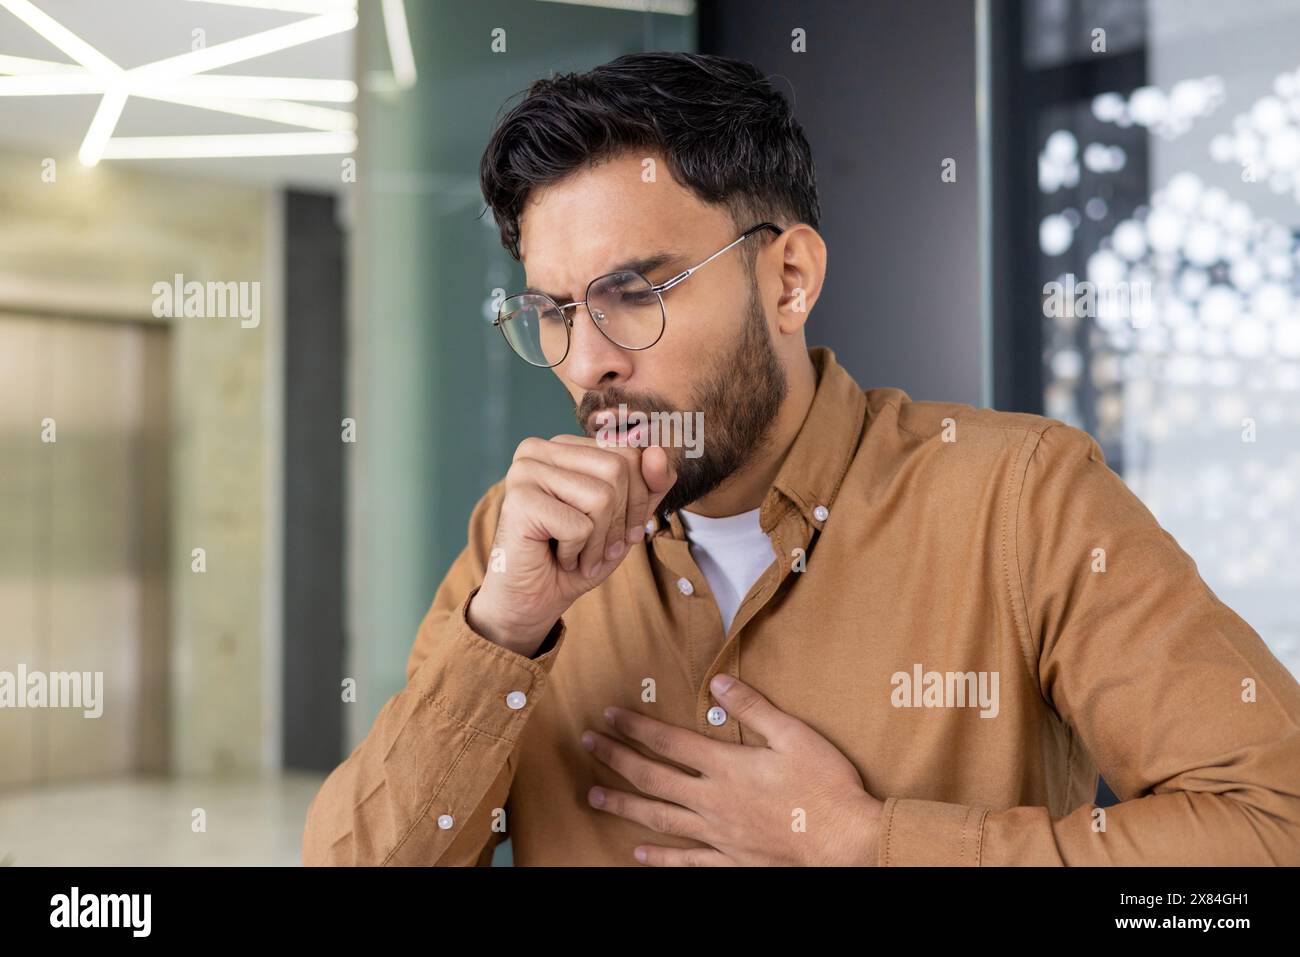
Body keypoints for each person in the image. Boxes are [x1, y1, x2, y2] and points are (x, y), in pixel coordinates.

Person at [302, 52, 1300, 866]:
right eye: (554, 313)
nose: (589, 362)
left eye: (632, 295)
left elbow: (1272, 826)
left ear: (787, 278)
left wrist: (872, 846)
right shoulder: (514, 545)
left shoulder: (1019, 499)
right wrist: (506, 632)